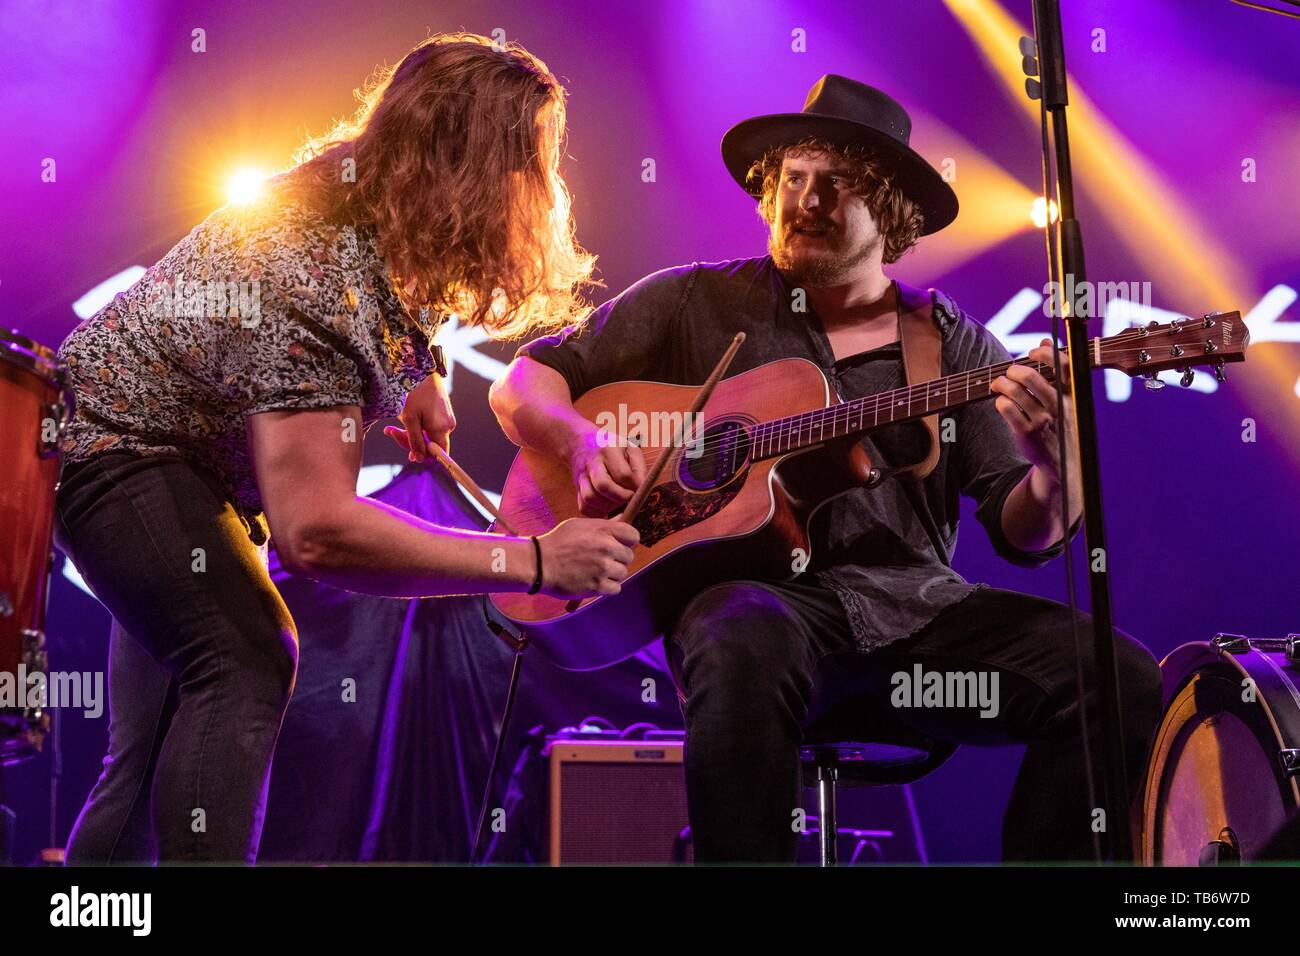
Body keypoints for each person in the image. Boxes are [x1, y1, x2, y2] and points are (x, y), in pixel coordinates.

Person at [489, 74, 1163, 862]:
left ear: (893, 212)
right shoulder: (690, 301)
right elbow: (521, 385)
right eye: (790, 179)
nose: (803, 200)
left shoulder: (948, 343)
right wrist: (581, 441)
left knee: (1117, 677)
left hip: (918, 628)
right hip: (763, 620)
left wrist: (1055, 463)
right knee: (738, 630)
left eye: (835, 184)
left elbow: (1027, 535)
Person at [55, 33, 638, 864]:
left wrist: (420, 376)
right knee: (246, 657)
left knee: (152, 748)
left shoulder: (373, 213)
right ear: (471, 173)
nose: (538, 190)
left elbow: (399, 303)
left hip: (170, 460)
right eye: (524, 165)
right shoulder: (307, 274)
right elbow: (317, 532)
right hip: (118, 451)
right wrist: (533, 561)